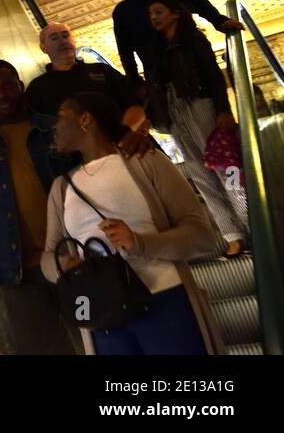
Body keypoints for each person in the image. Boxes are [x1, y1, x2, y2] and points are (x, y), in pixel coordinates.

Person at [42, 92, 222, 354]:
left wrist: (140, 243)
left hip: (163, 299)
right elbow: (50, 255)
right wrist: (66, 266)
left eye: (60, 117)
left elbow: (201, 235)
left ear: (85, 119)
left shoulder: (146, 161)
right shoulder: (61, 188)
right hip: (102, 315)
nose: (54, 126)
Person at [0, 60, 81, 354]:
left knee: (92, 336)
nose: (2, 95)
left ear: (20, 85)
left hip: (72, 258)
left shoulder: (53, 129)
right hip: (17, 271)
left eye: (7, 85)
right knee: (39, 349)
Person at [146, 0, 251, 255]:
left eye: (159, 11)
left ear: (176, 13)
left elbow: (213, 75)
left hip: (200, 103)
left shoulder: (194, 40)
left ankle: (252, 224)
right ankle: (232, 234)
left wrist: (223, 109)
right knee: (199, 173)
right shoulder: (157, 50)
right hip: (174, 111)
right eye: (151, 14)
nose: (154, 18)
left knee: (225, 168)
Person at [112, 0, 243, 88]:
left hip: (193, 65)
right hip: (158, 76)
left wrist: (220, 21)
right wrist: (136, 82)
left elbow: (200, 5)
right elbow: (125, 50)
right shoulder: (122, 11)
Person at [26, 21, 152, 155]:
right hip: (79, 163)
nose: (63, 41)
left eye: (65, 35)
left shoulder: (102, 71)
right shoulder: (37, 88)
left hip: (130, 149)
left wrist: (124, 135)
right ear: (43, 48)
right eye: (54, 38)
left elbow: (134, 105)